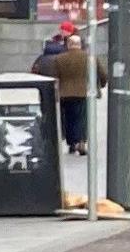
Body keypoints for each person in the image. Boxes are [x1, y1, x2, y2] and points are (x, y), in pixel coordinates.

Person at [37, 21, 93, 183]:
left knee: (67, 118)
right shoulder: (85, 56)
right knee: (80, 117)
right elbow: (98, 70)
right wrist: (101, 83)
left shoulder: (55, 54)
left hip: (63, 93)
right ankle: (80, 141)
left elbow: (53, 74)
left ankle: (71, 142)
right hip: (82, 92)